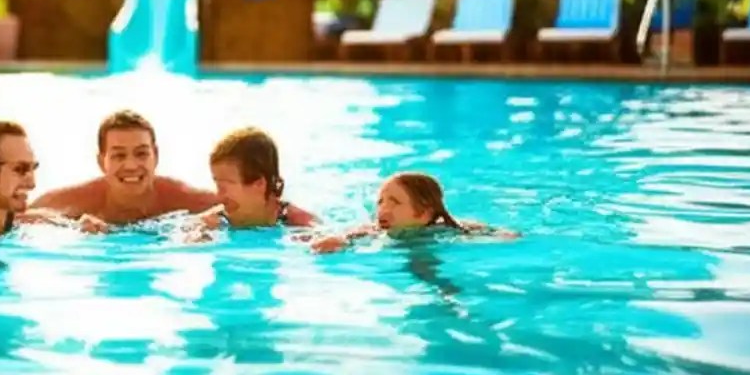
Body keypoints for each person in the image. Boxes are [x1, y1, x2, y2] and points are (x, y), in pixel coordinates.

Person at [30, 109, 221, 230]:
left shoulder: (181, 198)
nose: (131, 166)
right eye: (119, 156)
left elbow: (237, 206)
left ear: (156, 156)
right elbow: (18, 218)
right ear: (101, 162)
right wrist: (70, 228)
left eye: (141, 154)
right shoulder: (78, 201)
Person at [310, 171, 515, 253]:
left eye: (395, 202)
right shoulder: (373, 230)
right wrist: (339, 240)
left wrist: (499, 233)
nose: (383, 210)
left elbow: (475, 228)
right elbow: (347, 236)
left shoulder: (444, 228)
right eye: (380, 202)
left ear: (424, 213)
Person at [186, 127, 318, 232]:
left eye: (226, 186)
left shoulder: (294, 219)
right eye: (217, 184)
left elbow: (327, 236)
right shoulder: (214, 221)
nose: (219, 196)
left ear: (259, 184)